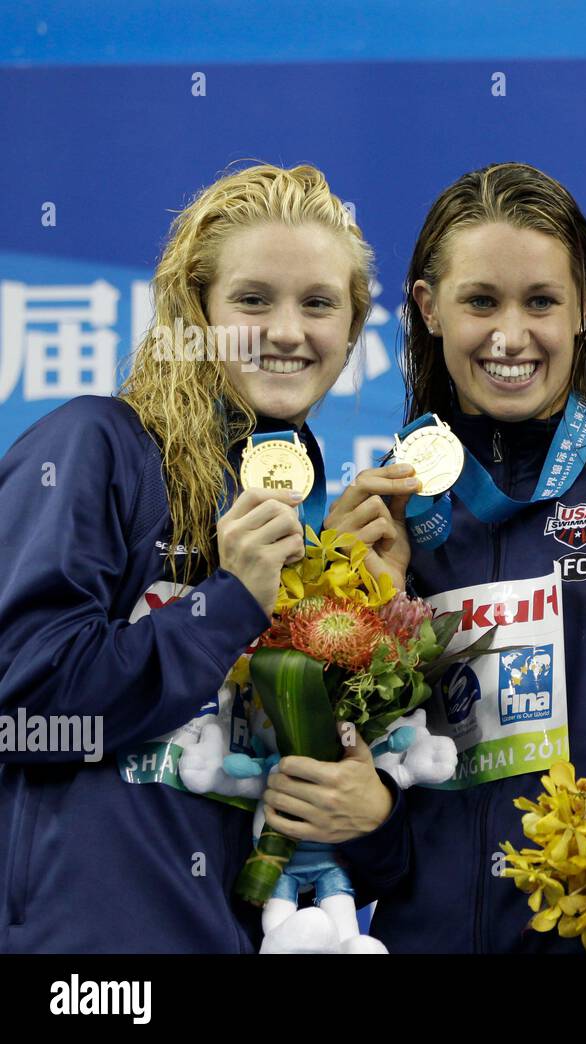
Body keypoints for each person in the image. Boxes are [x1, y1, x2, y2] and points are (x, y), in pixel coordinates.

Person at [285, 162, 586, 952]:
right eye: (480, 301)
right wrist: (348, 603)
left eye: (541, 301)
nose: (510, 336)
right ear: (428, 308)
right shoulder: (397, 512)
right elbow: (361, 839)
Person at [0, 163, 374, 952]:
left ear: (351, 329)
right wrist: (230, 599)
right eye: (251, 299)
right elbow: (28, 711)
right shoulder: (97, 446)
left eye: (318, 304)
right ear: (194, 312)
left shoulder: (308, 532)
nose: (285, 331)